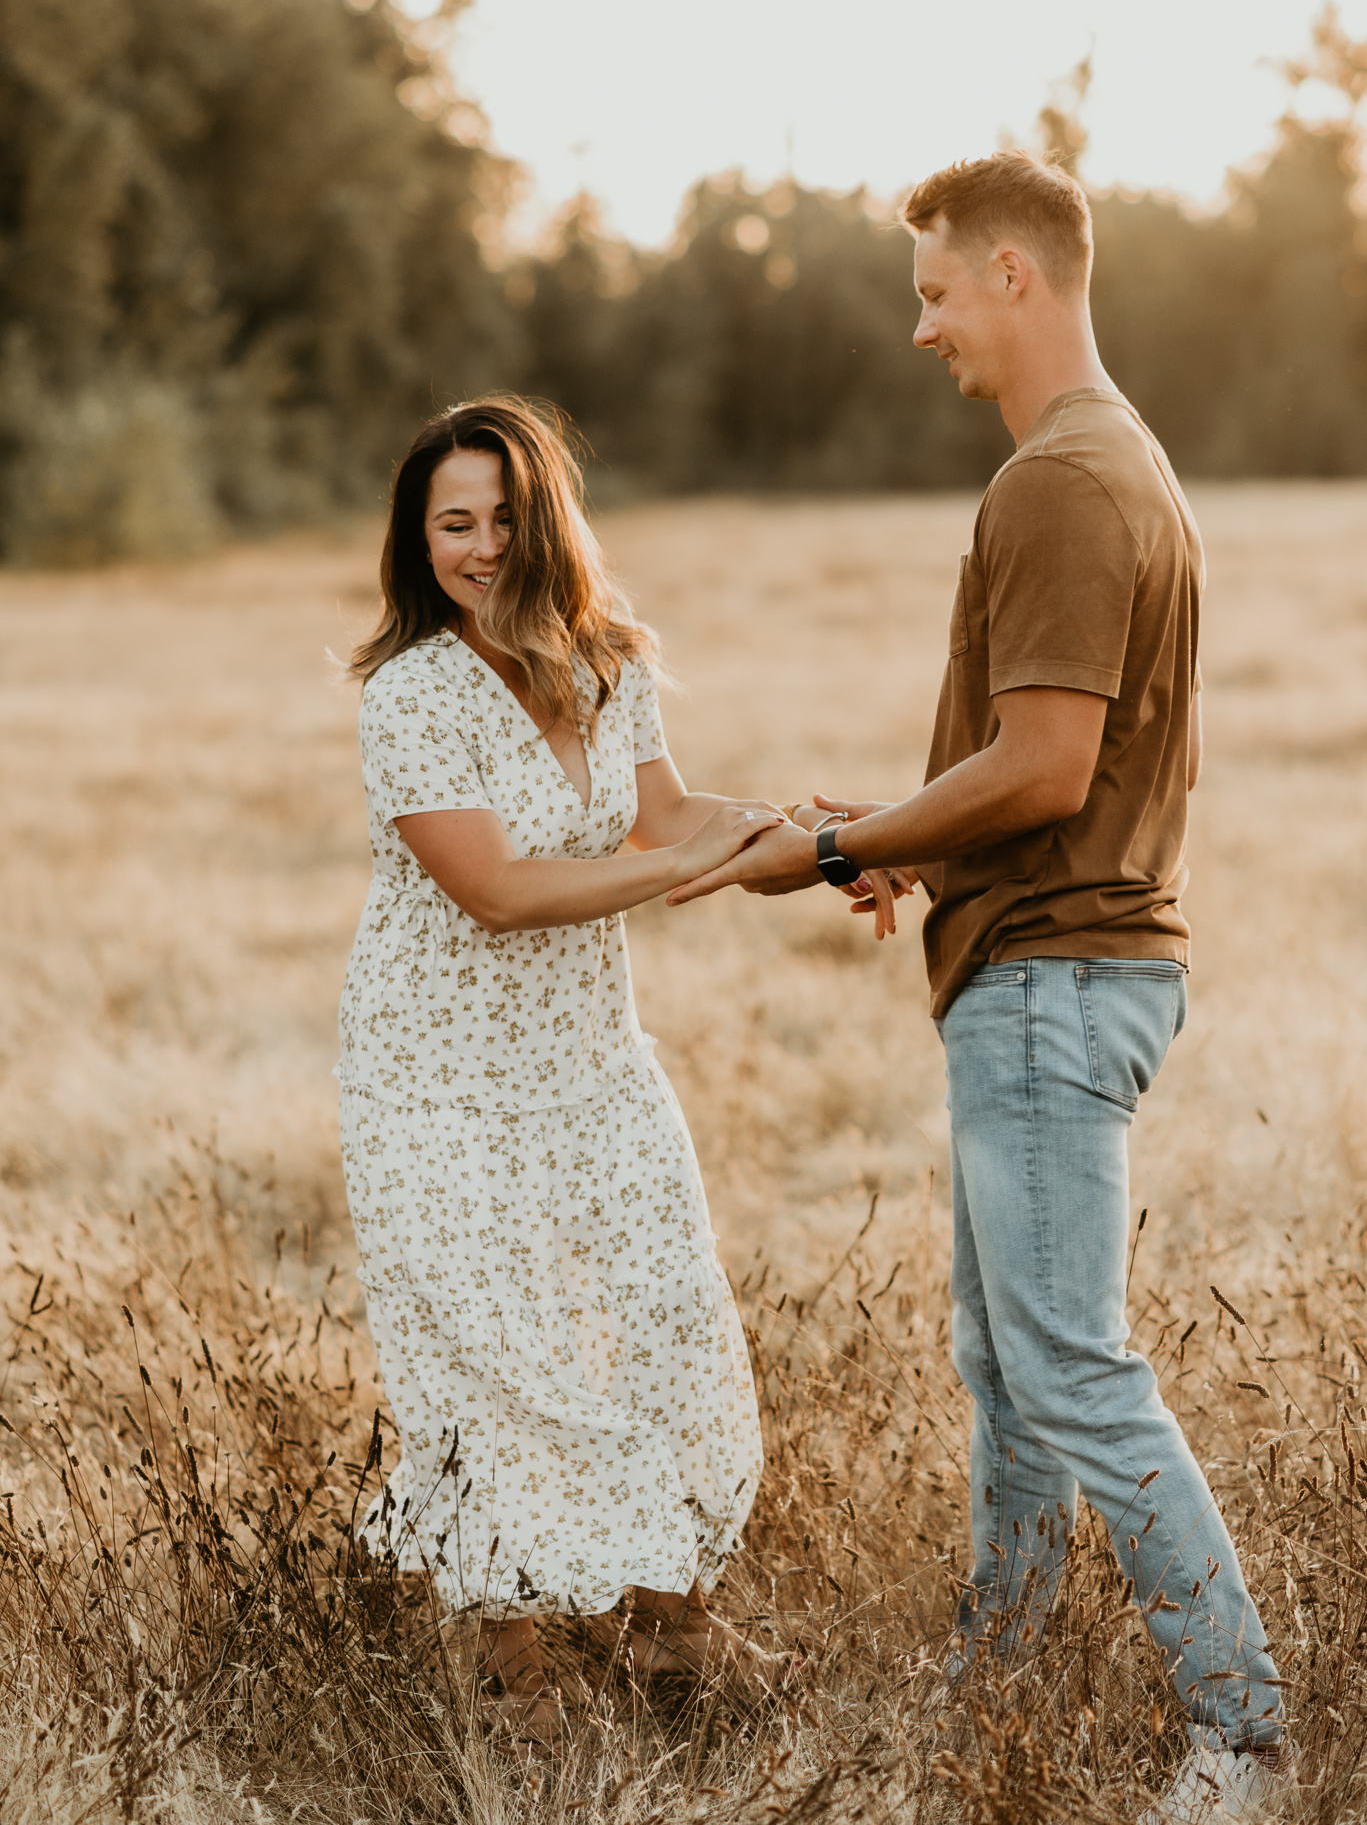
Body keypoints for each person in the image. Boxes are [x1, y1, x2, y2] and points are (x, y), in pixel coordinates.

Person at [669, 153, 1289, 1822]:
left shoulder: (1061, 481)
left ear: (1017, 273)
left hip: (1052, 981)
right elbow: (1061, 772)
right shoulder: (1119, 460)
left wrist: (834, 845)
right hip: (1060, 962)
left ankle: (1243, 1738)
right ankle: (995, 1683)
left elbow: (1045, 768)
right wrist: (904, 844)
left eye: (937, 290)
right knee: (1010, 1362)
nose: (921, 326)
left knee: (1069, 1365)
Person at [337, 396, 795, 1747]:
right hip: (436, 1079)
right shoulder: (410, 696)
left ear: (548, 521)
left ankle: (672, 1629)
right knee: (495, 1356)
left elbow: (673, 815)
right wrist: (685, 868)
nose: (479, 548)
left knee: (665, 1317)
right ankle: (514, 1682)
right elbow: (496, 889)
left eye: (500, 517)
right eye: (451, 524)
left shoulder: (607, 663)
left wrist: (827, 838)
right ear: (418, 542)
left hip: (592, 1062)